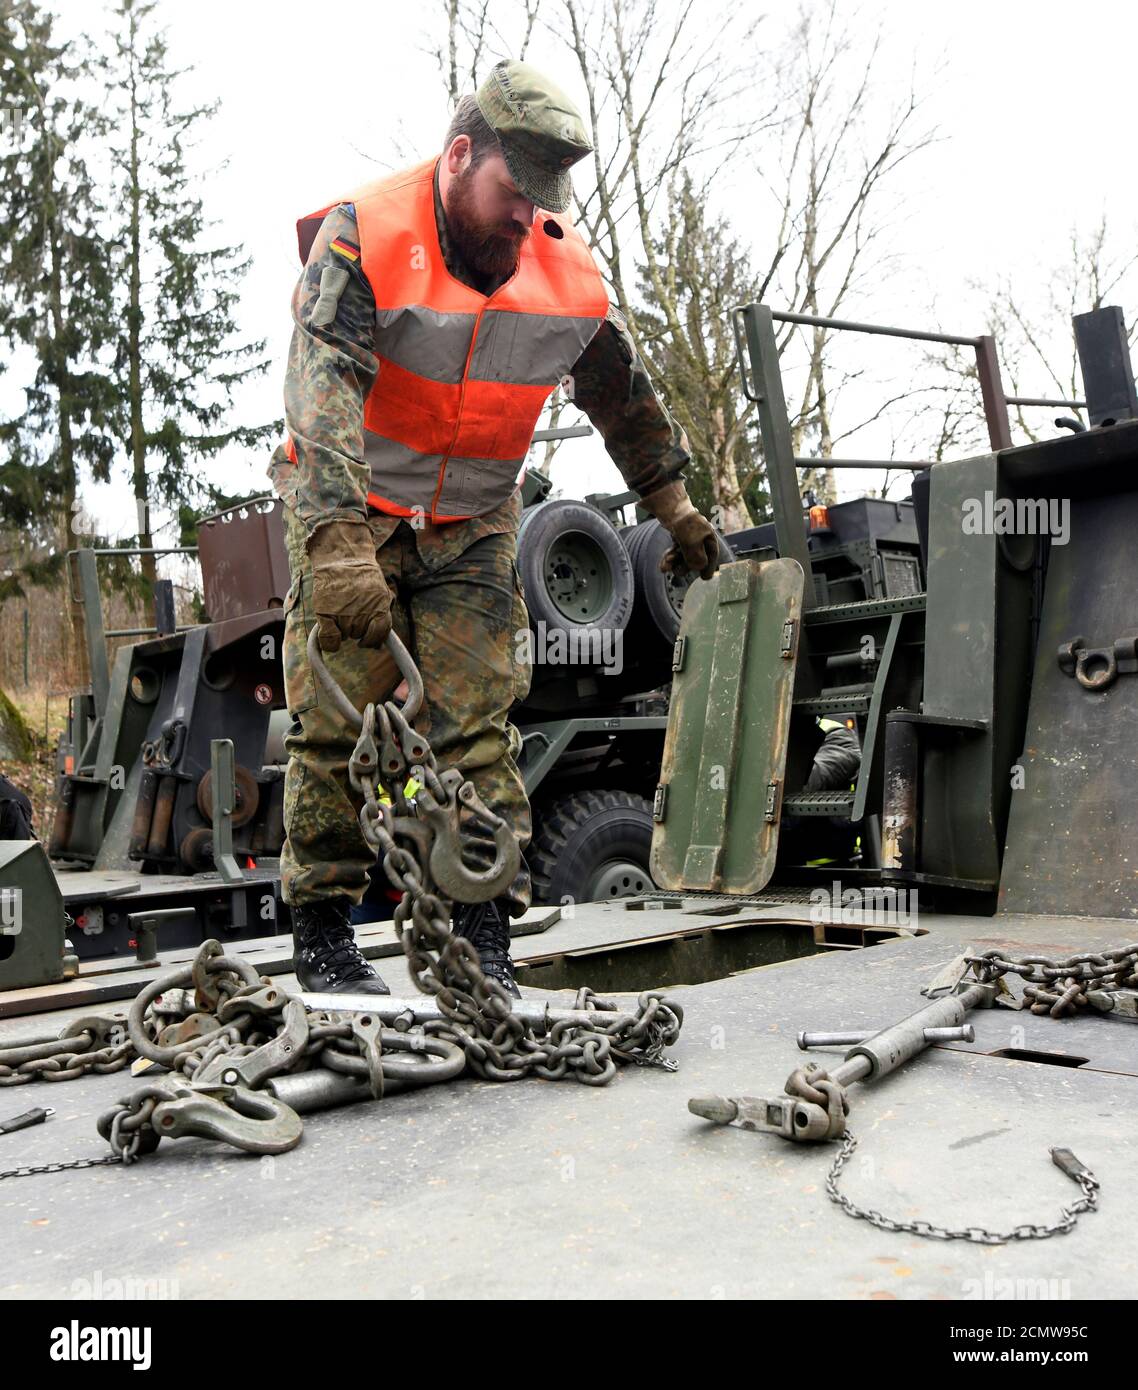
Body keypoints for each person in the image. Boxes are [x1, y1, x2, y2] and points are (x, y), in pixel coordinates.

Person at [269, 59, 721, 999]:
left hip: (474, 521)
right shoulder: (368, 235)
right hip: (359, 510)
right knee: (333, 725)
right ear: (458, 155)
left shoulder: (563, 271)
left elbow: (621, 397)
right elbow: (321, 394)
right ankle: (322, 936)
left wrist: (672, 507)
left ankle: (482, 943)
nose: (530, 217)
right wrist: (339, 545)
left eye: (545, 200)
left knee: (479, 728)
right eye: (516, 193)